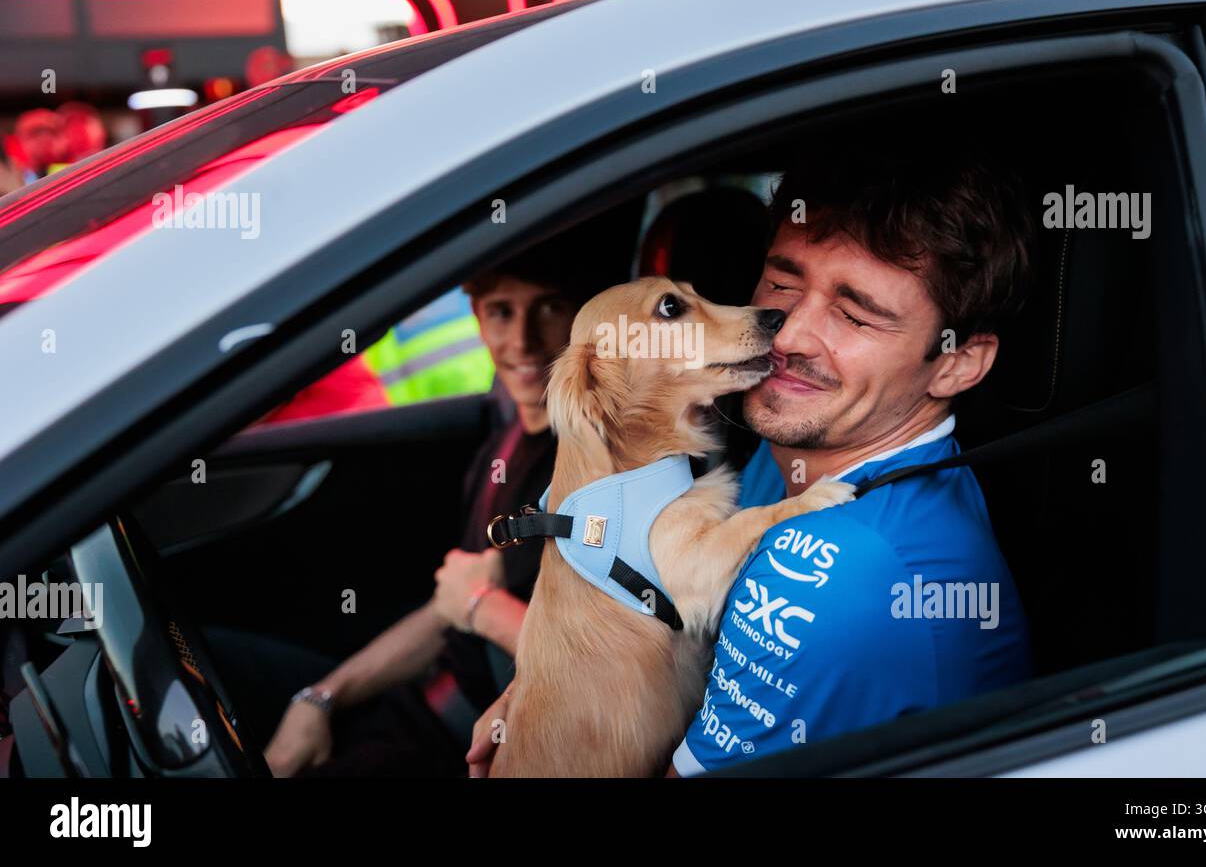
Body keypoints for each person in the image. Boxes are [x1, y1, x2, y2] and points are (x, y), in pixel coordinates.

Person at [466, 147, 1036, 776]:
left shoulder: (837, 580)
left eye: (853, 315)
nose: (786, 336)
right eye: (783, 284)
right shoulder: (806, 448)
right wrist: (548, 701)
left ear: (959, 361)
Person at [262, 242, 618, 777]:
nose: (521, 340)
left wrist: (479, 603)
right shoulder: (506, 441)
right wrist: (319, 699)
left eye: (549, 308)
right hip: (424, 704)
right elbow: (444, 608)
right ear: (476, 315)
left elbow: (601, 676)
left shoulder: (594, 472)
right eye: (501, 312)